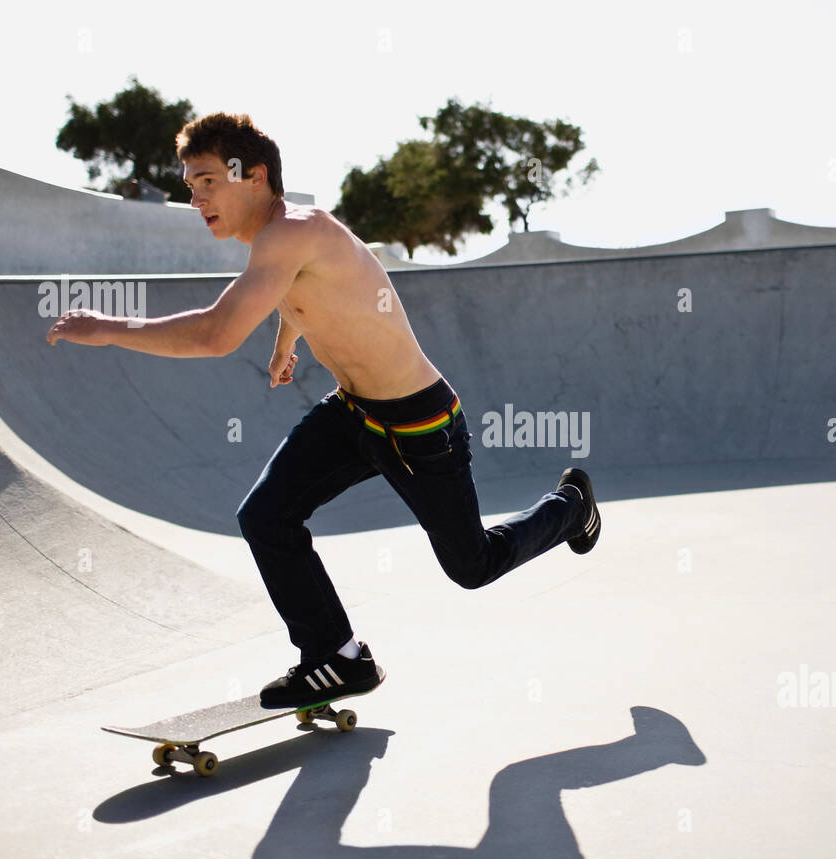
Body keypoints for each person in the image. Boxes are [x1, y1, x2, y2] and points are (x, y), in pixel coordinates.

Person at [46, 112, 600, 708]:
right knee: (266, 516)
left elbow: (215, 334)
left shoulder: (295, 231)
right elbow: (297, 295)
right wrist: (286, 345)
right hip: (353, 413)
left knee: (472, 565)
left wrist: (108, 327)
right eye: (188, 185)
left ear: (253, 175)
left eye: (207, 181)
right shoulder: (275, 241)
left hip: (419, 423)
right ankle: (335, 656)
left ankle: (570, 508)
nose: (195, 197)